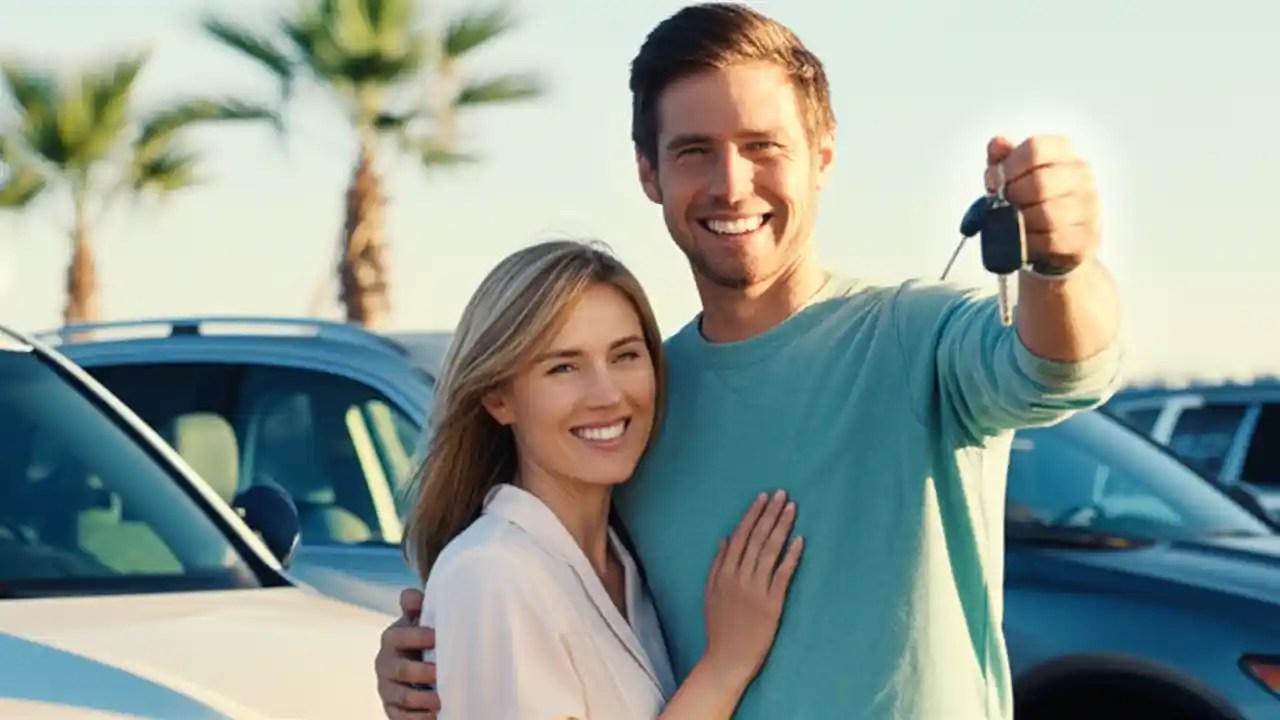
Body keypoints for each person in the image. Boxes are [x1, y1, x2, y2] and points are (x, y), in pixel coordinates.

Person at [376, 3, 1124, 719]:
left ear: (822, 156)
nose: (732, 184)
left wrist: (1058, 263)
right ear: (649, 173)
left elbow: (1060, 367)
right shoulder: (640, 406)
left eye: (763, 146)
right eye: (694, 151)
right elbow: (543, 614)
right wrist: (444, 658)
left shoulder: (915, 338)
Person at [398, 239, 805, 719]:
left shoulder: (623, 563)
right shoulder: (492, 576)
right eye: (564, 367)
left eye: (625, 356)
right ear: (498, 399)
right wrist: (725, 666)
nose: (607, 394)